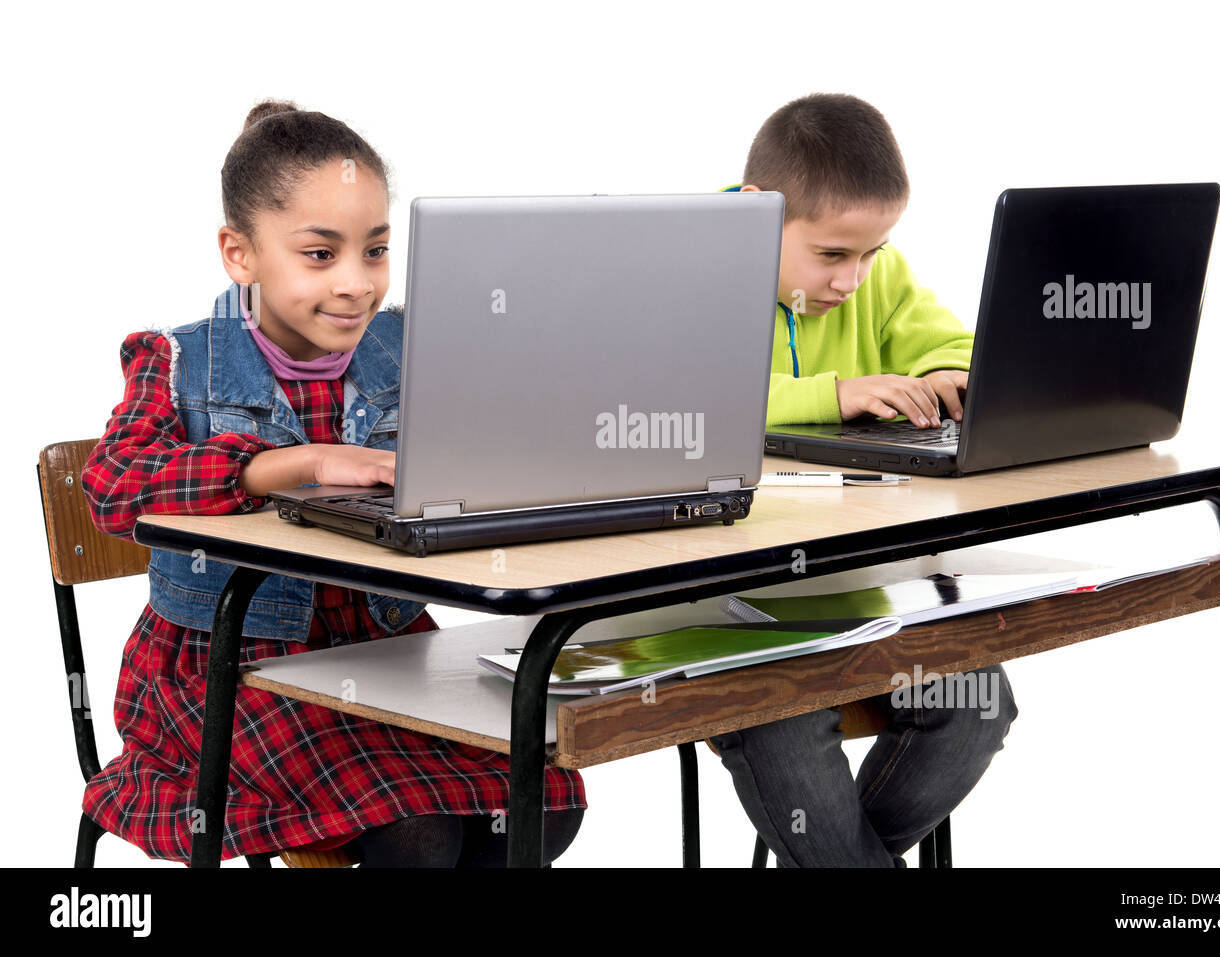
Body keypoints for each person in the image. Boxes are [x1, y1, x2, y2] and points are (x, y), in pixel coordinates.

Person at [80, 99, 585, 867]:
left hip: (387, 655)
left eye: (376, 250)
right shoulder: (178, 360)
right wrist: (291, 464)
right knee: (418, 833)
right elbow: (112, 486)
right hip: (231, 669)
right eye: (320, 255)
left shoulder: (412, 347)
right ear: (239, 253)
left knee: (539, 805)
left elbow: (515, 429)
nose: (356, 285)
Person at [707, 93, 1017, 867]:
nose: (856, 278)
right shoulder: (687, 260)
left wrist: (950, 370)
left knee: (975, 702)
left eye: (873, 252)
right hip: (716, 600)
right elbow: (680, 399)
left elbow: (950, 338)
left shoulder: (873, 267)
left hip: (856, 582)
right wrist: (834, 393)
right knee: (783, 726)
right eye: (834, 256)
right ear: (756, 214)